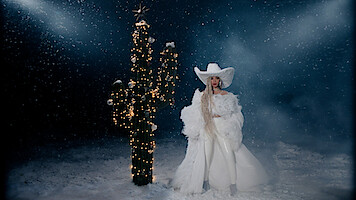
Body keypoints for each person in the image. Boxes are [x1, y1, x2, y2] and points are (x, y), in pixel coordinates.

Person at [171, 62, 269, 195]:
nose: (214, 81)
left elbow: (236, 115)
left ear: (220, 80)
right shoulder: (202, 96)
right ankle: (205, 182)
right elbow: (194, 113)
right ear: (208, 80)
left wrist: (231, 127)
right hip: (208, 128)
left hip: (223, 128)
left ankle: (233, 184)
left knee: (229, 155)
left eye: (216, 78)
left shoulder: (227, 96)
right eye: (211, 78)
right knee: (207, 155)